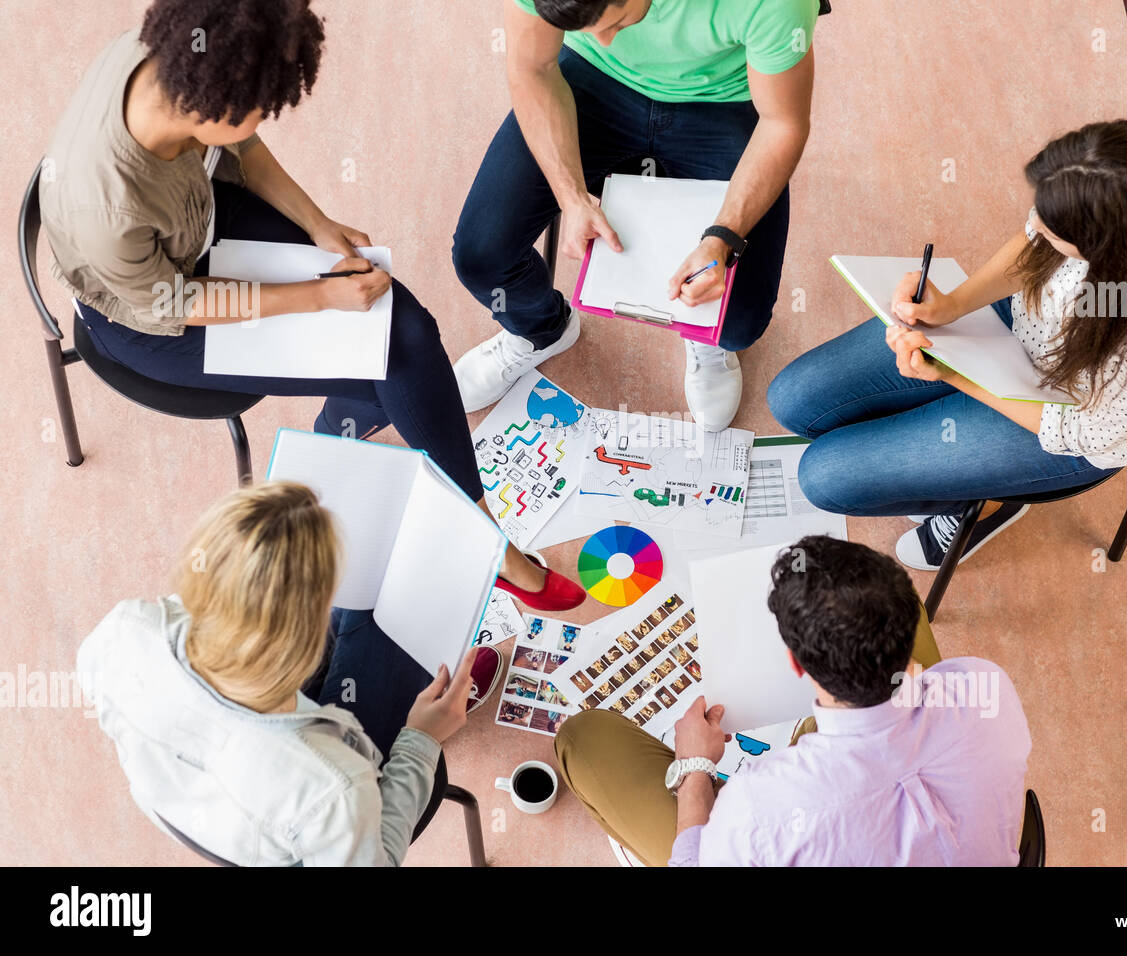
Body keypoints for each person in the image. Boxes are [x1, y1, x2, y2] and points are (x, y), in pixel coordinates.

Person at [40, 0, 581, 610]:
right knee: (398, 350)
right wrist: (318, 296)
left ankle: (343, 437)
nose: (260, 122)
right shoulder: (107, 211)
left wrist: (318, 224)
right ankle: (490, 541)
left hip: (196, 223)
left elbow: (239, 151)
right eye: (256, 112)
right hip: (151, 319)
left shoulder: (172, 66)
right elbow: (176, 301)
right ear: (216, 108)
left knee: (399, 328)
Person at [767, 120, 1127, 571]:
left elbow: (1085, 433)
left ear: (1105, 255)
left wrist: (953, 375)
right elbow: (1035, 241)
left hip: (1068, 417)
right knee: (794, 400)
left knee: (824, 479)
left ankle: (983, 504)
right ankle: (933, 457)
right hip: (1030, 321)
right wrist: (952, 304)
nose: (1034, 223)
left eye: (1056, 231)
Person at [77, 481, 503, 866]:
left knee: (365, 622)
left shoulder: (125, 629)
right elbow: (380, 859)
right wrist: (421, 741)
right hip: (309, 822)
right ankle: (436, 711)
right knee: (372, 626)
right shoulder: (333, 785)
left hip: (190, 807)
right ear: (303, 636)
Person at [451, 0, 819, 432]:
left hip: (722, 98)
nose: (606, 39)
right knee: (481, 255)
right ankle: (542, 331)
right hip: (592, 79)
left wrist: (722, 236)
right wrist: (571, 196)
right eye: (586, 27)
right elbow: (534, 68)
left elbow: (783, 124)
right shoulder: (591, 37)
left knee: (736, 323)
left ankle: (705, 339)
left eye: (620, 22)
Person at [554, 536, 1031, 866]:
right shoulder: (984, 684)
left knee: (584, 737)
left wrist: (695, 769)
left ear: (797, 667)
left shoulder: (761, 809)